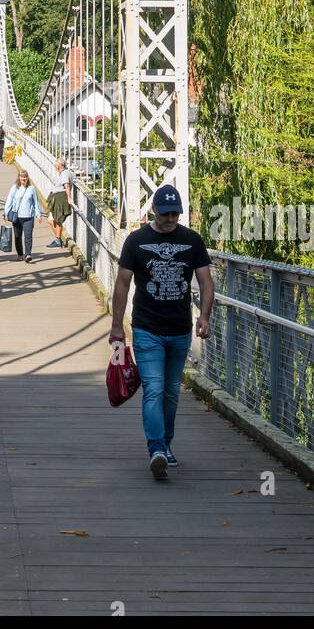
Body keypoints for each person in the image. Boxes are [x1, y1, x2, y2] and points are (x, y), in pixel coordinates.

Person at [108, 184, 214, 480]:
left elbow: (206, 281)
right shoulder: (136, 241)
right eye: (165, 213)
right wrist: (117, 326)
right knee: (153, 388)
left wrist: (204, 316)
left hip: (180, 330)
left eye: (175, 214)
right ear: (153, 210)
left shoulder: (192, 241)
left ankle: (166, 444)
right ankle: (156, 448)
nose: (170, 219)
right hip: (147, 329)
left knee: (170, 392)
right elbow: (122, 284)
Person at [4, 169, 41, 263]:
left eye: (25, 177)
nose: (23, 179)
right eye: (21, 177)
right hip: (17, 217)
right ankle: (20, 254)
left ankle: (28, 254)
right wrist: (6, 213)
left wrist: (38, 215)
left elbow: (35, 203)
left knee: (28, 236)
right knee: (17, 236)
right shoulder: (14, 188)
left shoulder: (31, 189)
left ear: (27, 178)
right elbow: (9, 201)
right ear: (19, 178)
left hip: (28, 217)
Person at [47, 158, 74, 247]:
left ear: (59, 166)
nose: (55, 169)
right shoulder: (67, 173)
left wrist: (69, 198)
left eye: (56, 167)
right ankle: (58, 238)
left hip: (60, 199)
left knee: (56, 220)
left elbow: (67, 186)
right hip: (57, 198)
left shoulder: (64, 173)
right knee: (53, 220)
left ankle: (58, 239)